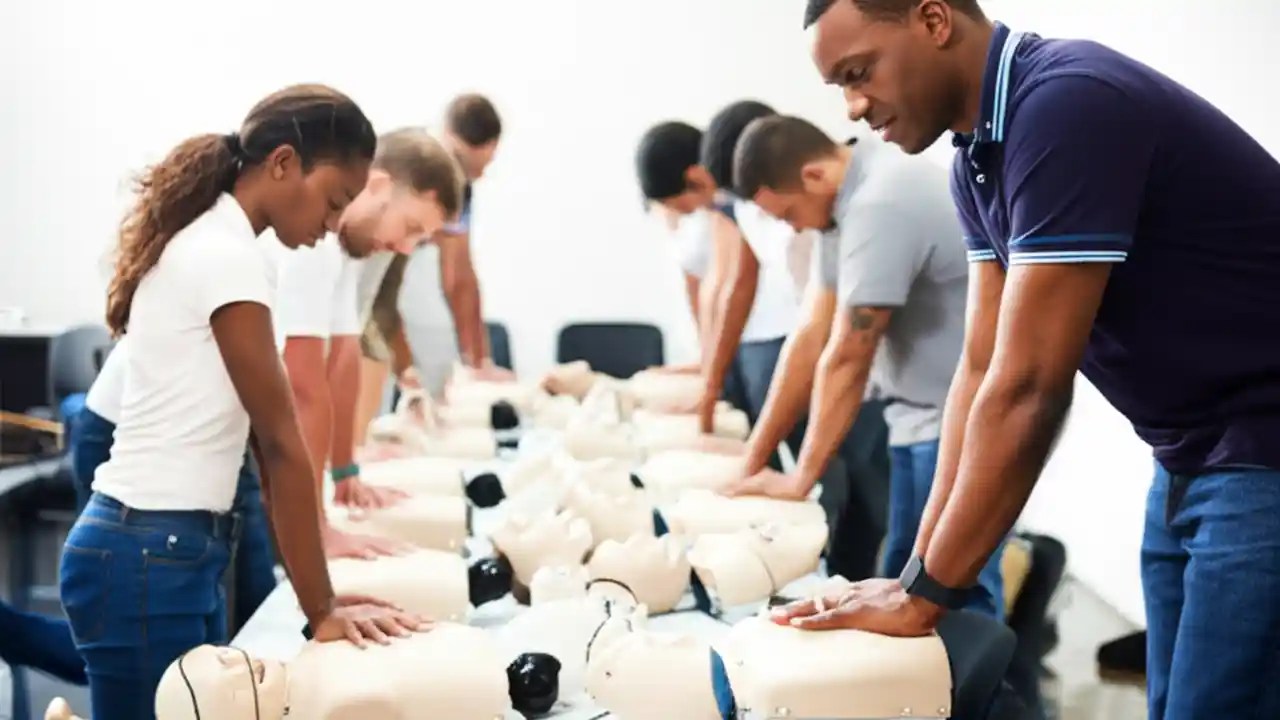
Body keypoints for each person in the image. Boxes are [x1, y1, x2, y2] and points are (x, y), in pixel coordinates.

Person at [776, 3, 1280, 719]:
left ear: (933, 20)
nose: (854, 108)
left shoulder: (1067, 105)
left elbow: (1030, 386)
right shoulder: (977, 159)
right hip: (1188, 451)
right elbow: (980, 368)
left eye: (859, 73)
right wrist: (917, 575)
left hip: (1261, 446)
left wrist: (926, 596)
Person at [59, 84, 427, 720]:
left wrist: (321, 597)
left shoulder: (229, 249)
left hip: (169, 548)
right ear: (283, 163)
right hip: (145, 552)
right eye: (333, 201)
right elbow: (280, 440)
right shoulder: (224, 258)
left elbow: (266, 443)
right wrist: (322, 609)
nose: (333, 224)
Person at [724, 116, 1005, 619]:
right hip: (920, 416)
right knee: (902, 579)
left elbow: (848, 355)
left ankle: (984, 673)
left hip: (965, 420)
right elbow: (810, 336)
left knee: (952, 593)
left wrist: (801, 478)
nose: (793, 228)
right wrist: (752, 462)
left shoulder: (879, 204)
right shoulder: (843, 203)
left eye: (788, 214)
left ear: (812, 176)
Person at [275, 127, 465, 558]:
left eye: (419, 240)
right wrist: (318, 527)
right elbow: (305, 387)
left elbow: (343, 359)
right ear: (378, 185)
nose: (405, 248)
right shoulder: (313, 242)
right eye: (411, 227)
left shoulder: (346, 250)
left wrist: (344, 471)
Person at [69, 338, 278, 634]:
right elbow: (299, 402)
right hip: (129, 430)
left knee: (241, 608)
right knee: (121, 631)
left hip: (197, 431)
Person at [398, 93, 512, 398]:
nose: (470, 178)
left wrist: (479, 363)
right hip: (376, 274)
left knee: (441, 372)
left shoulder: (461, 187)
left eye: (480, 170)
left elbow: (460, 275)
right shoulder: (406, 163)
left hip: (412, 275)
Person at [633, 120, 748, 408]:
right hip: (726, 349)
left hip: (744, 346)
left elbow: (724, 288)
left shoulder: (727, 211)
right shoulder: (719, 212)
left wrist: (710, 374)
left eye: (676, 206)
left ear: (696, 177)